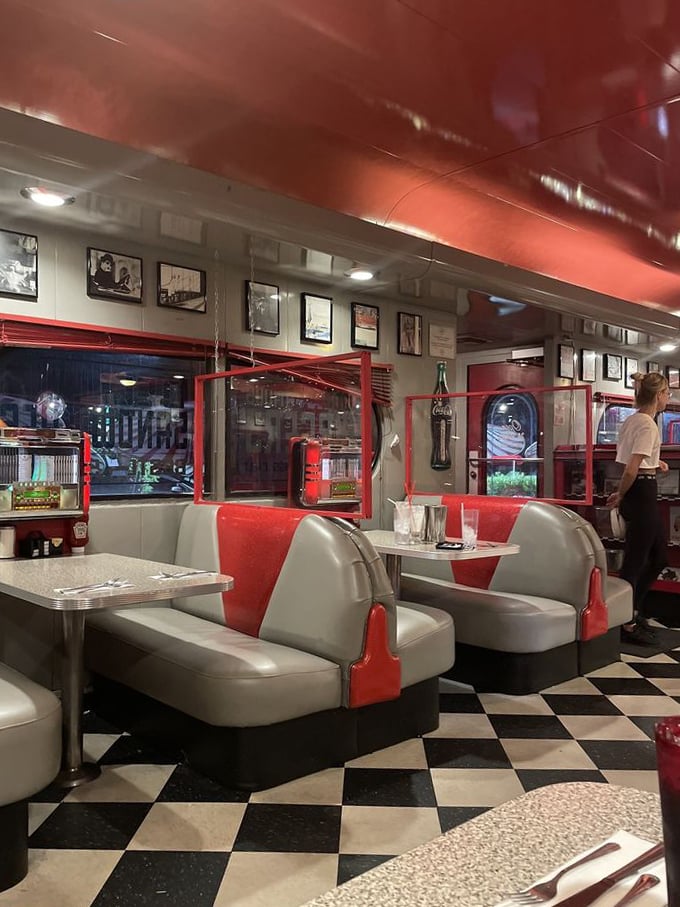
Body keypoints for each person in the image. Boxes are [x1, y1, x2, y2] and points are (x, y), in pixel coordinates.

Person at [607, 371, 670, 645]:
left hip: (642, 490)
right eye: (667, 393)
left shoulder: (632, 421)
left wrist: (657, 464)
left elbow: (634, 462)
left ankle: (633, 611)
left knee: (658, 558)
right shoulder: (647, 425)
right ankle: (627, 623)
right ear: (658, 395)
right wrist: (620, 494)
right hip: (641, 492)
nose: (669, 398)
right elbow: (632, 469)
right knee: (635, 562)